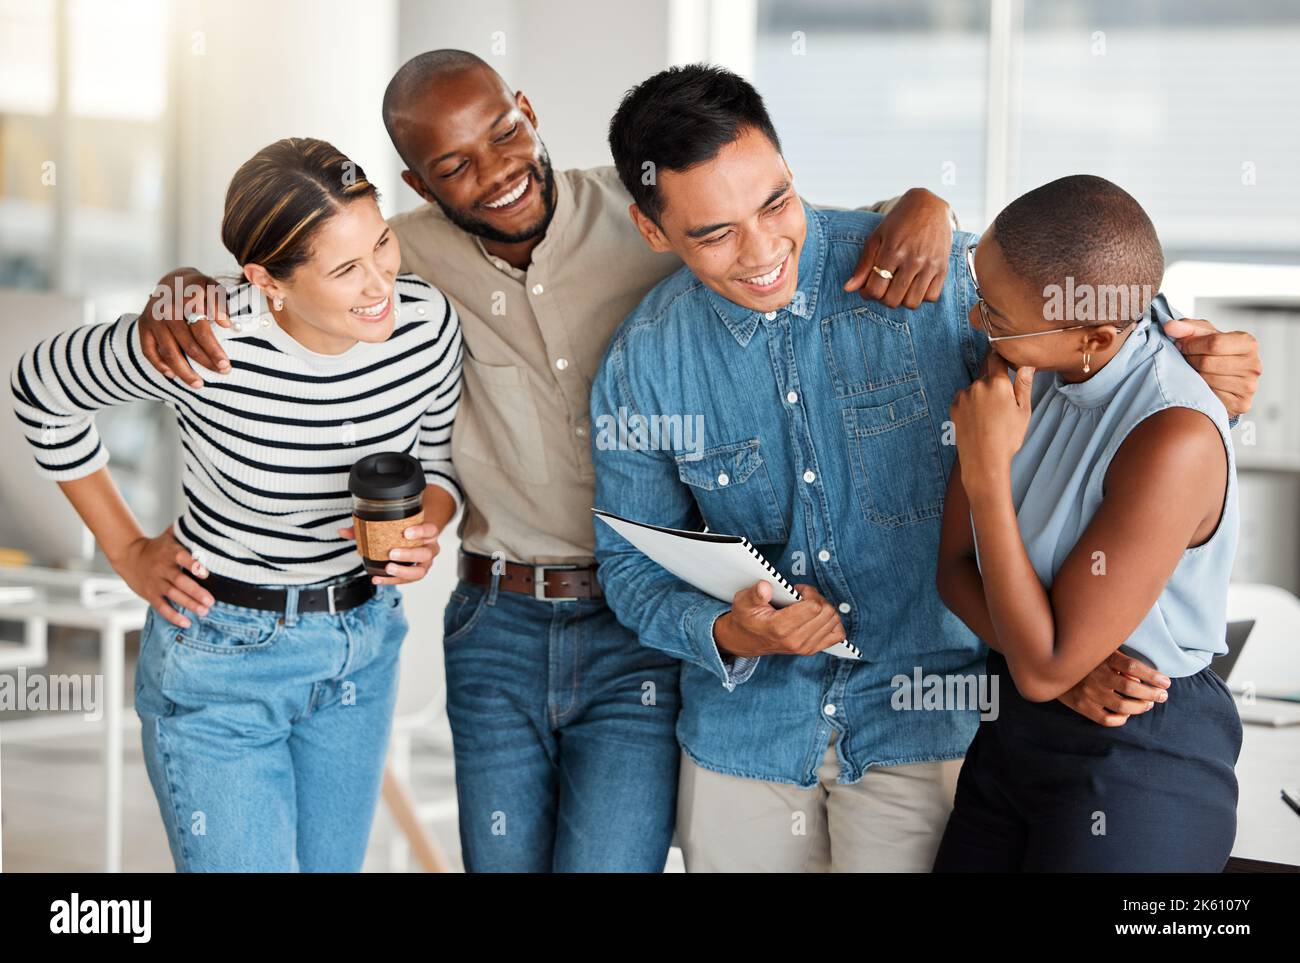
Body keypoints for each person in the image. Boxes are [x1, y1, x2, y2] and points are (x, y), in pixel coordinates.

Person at [131, 50, 964, 872]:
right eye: (452, 166)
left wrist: (928, 202)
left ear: (527, 109)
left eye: (503, 133)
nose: (495, 172)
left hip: (636, 629)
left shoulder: (649, 212)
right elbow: (300, 269)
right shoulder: (402, 260)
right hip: (501, 612)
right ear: (420, 187)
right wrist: (185, 288)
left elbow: (792, 230)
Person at [591, 65, 1260, 872]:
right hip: (747, 740)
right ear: (653, 229)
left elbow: (1100, 311)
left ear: (790, 169)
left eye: (775, 202)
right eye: (715, 233)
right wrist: (726, 630)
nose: (764, 249)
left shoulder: (934, 275)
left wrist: (1207, 352)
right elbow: (628, 565)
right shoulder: (645, 363)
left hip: (927, 725)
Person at [9, 137, 463, 872]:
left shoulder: (424, 324)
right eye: (345, 268)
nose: (381, 282)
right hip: (222, 657)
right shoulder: (206, 337)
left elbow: (439, 457)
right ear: (266, 280)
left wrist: (427, 524)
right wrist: (126, 548)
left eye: (383, 243)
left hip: (362, 644)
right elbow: (41, 389)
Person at [932, 176, 1245, 872]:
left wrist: (986, 475)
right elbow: (953, 572)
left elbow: (1042, 663)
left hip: (1140, 741)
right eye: (982, 294)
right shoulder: (1020, 361)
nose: (978, 320)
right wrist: (1047, 663)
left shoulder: (1174, 438)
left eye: (997, 312)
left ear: (1095, 335)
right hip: (1013, 727)